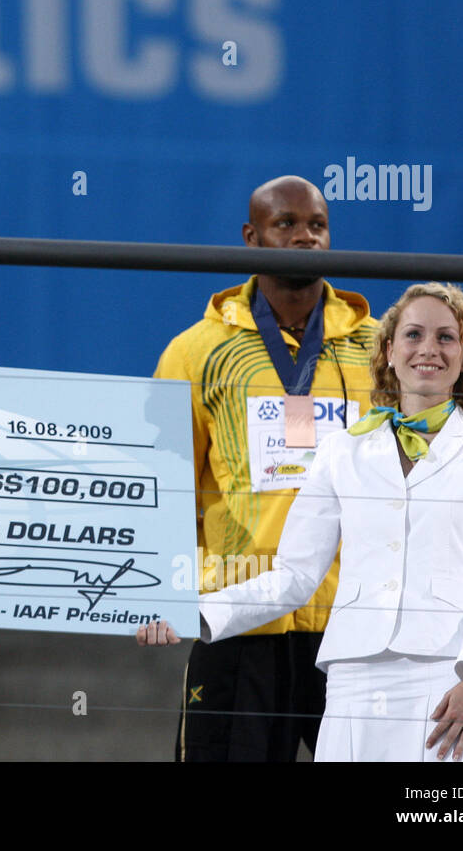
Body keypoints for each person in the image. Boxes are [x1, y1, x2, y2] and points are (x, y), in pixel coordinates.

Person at [140, 283, 463, 761]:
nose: (428, 349)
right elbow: (295, 575)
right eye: (413, 335)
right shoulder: (340, 450)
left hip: (446, 681)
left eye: (446, 338)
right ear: (388, 351)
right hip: (352, 686)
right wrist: (194, 610)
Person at [152, 176, 376, 761]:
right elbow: (164, 484)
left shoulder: (377, 349)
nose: (305, 236)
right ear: (251, 237)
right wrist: (178, 584)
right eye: (286, 225)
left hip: (351, 624)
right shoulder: (196, 351)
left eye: (317, 225)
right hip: (242, 617)